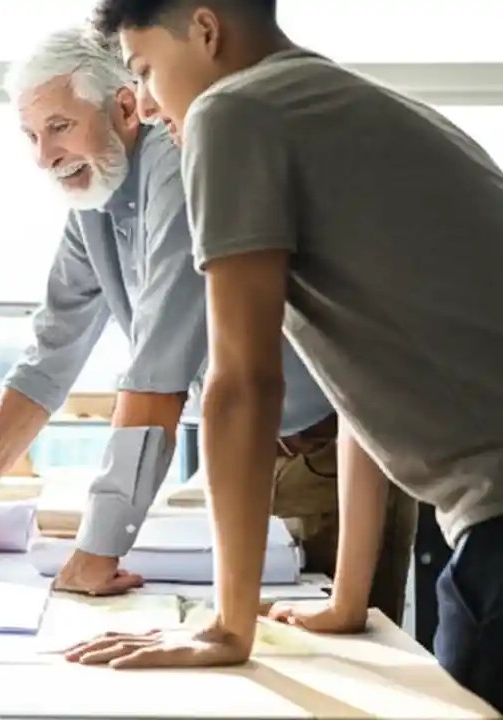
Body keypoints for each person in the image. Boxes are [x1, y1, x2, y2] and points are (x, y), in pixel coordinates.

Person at [68, 0, 503, 710]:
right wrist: (348, 600)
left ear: (205, 30)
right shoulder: (369, 113)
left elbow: (243, 382)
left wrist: (226, 627)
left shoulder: (232, 112)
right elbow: (364, 383)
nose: (142, 104)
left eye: (144, 70)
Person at [0, 24, 415, 622]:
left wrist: (97, 551)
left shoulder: (180, 162)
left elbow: (158, 372)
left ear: (125, 107)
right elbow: (47, 358)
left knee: (334, 657)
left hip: (330, 456)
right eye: (31, 135)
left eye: (59, 127)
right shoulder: (94, 198)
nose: (43, 156)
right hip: (245, 456)